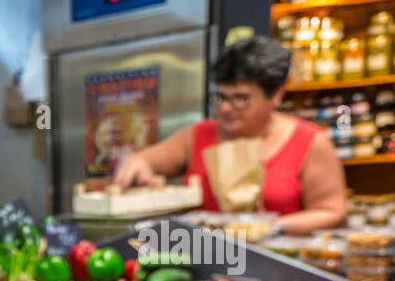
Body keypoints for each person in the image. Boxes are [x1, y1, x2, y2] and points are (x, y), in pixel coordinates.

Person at [112, 36, 347, 233]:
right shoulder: (197, 136)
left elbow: (332, 212)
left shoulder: (310, 142)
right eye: (221, 97)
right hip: (205, 266)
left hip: (278, 270)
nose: (225, 108)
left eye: (240, 98)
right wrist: (136, 164)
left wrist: (268, 228)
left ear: (276, 95)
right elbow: (142, 160)